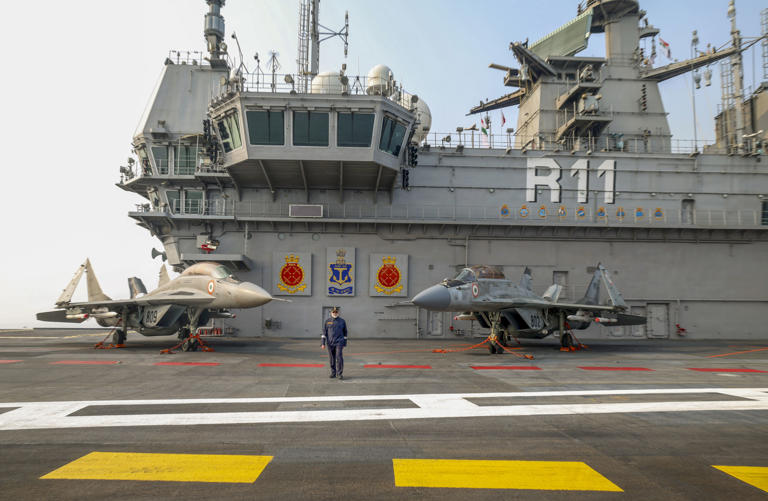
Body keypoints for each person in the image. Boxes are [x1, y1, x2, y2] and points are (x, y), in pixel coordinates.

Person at [321, 307, 347, 380]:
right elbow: (324, 333)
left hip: (339, 342)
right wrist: (323, 343)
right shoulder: (327, 321)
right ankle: (333, 373)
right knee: (332, 358)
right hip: (330, 343)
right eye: (333, 312)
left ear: (338, 313)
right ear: (331, 313)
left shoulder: (342, 321)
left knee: (339, 357)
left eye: (336, 312)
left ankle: (339, 373)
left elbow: (345, 332)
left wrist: (344, 343)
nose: (335, 313)